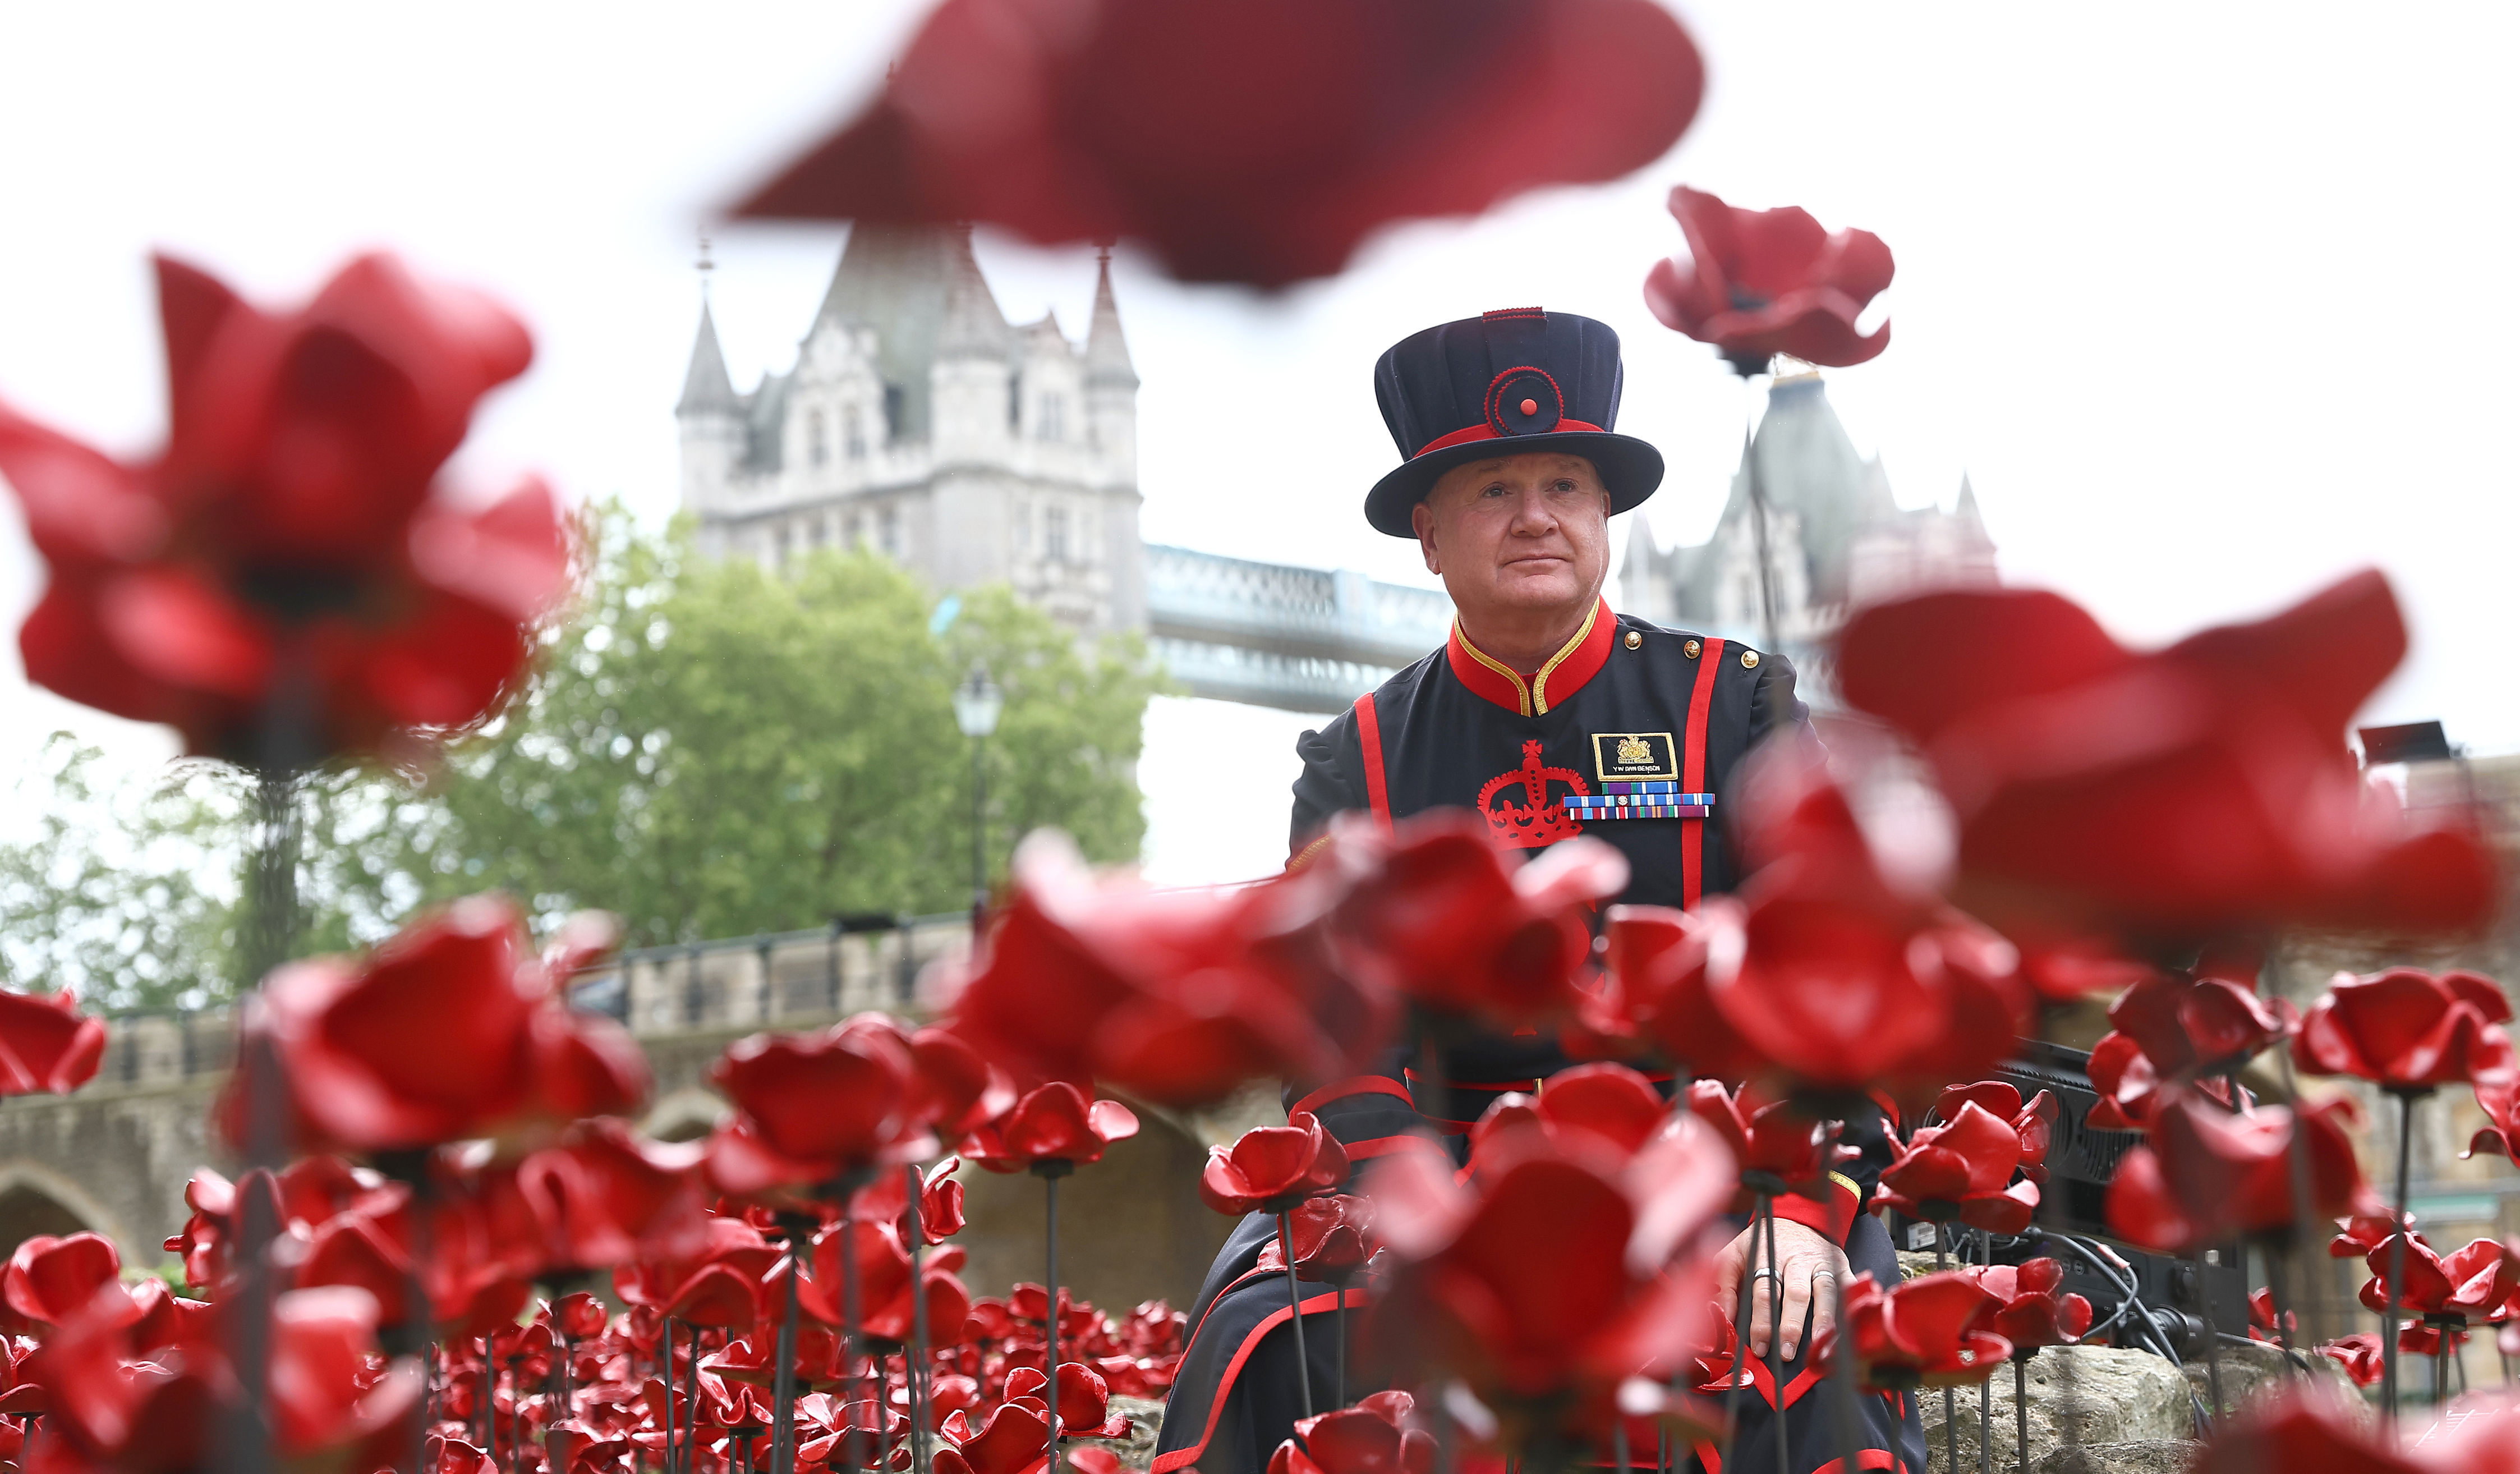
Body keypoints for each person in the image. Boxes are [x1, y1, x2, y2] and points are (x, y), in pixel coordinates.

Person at [1152, 309, 1923, 1474]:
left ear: (1603, 517)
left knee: (1795, 1332)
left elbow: (1822, 978)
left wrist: (1799, 1213)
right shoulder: (1352, 757)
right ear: (1426, 533)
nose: (1533, 516)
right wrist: (1406, 1218)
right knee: (1272, 1330)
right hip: (1444, 1189)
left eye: (1563, 482)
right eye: (1491, 488)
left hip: (1714, 1171)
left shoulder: (1739, 708)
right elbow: (1336, 1036)